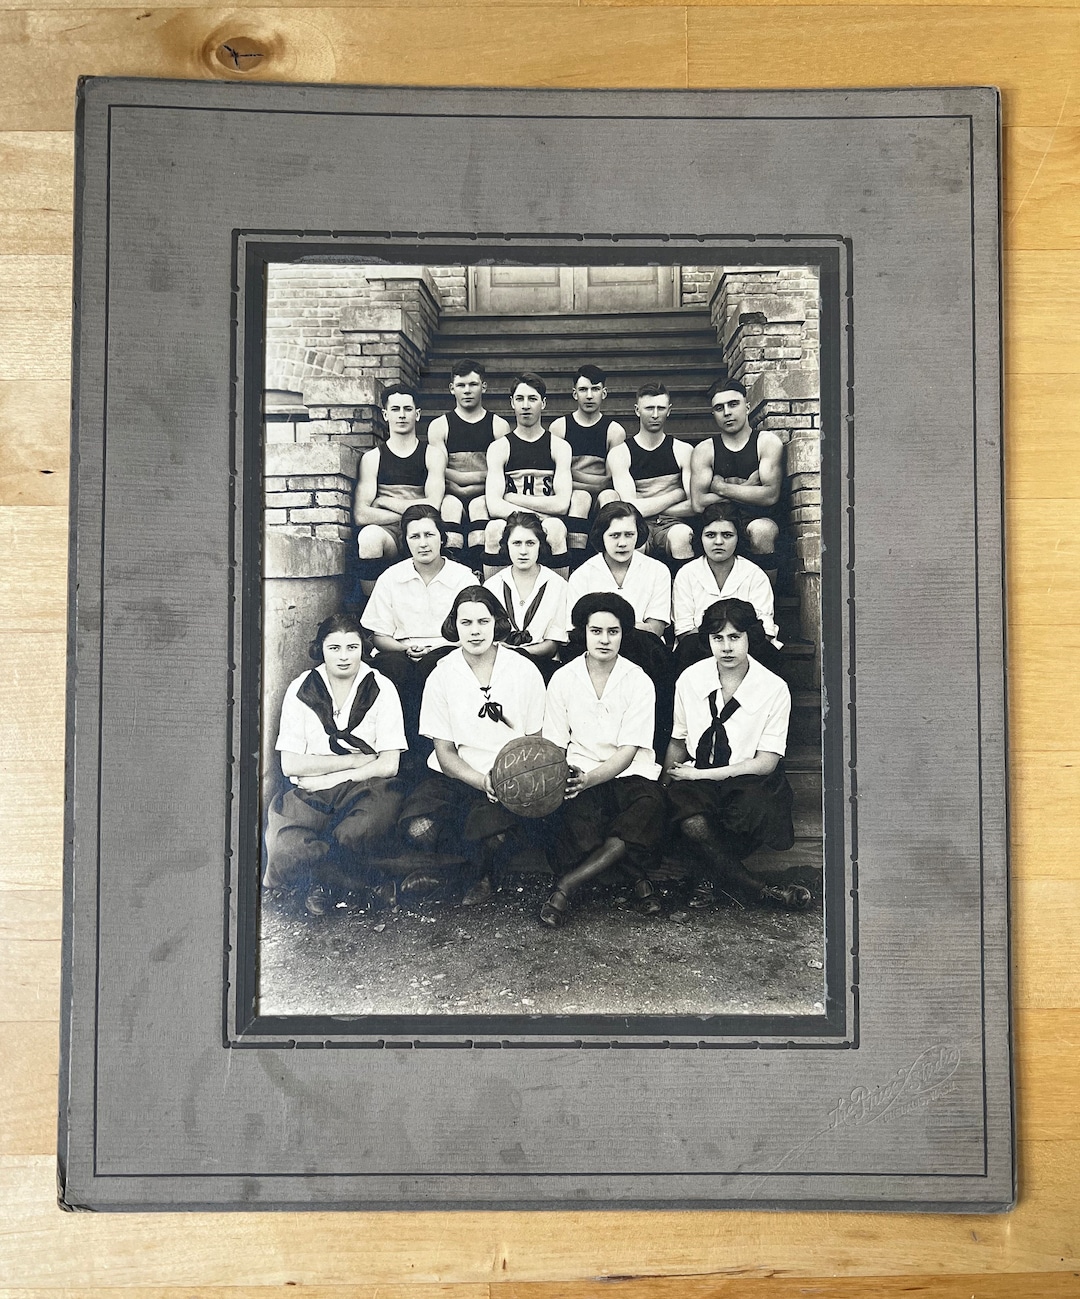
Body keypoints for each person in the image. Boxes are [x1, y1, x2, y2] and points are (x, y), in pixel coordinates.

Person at [398, 586, 548, 905]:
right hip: (459, 776)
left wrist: (507, 781)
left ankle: (473, 876)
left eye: (483, 621)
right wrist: (480, 780)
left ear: (497, 623)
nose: (475, 631)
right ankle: (466, 870)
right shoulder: (443, 674)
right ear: (455, 626)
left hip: (512, 779)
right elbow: (445, 752)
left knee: (493, 831)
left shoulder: (523, 670)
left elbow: (536, 742)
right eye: (466, 623)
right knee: (417, 827)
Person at [663, 598, 810, 910]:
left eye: (734, 637)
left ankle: (708, 875)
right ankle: (760, 890)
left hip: (748, 778)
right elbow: (679, 739)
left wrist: (699, 775)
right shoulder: (691, 678)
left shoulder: (773, 688)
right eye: (717, 638)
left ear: (749, 638)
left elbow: (766, 762)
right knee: (689, 820)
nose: (726, 647)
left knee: (753, 810)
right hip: (698, 775)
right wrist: (666, 781)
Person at [263, 614, 406, 916]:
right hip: (311, 792)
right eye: (334, 648)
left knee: (359, 832)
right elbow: (290, 763)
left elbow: (389, 764)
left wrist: (329, 776)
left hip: (366, 786)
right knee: (284, 849)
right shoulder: (301, 688)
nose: (344, 657)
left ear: (363, 649)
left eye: (352, 647)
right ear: (320, 649)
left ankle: (322, 884)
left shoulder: (381, 687)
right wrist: (354, 759)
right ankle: (365, 883)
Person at [539, 593, 664, 927]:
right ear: (584, 632)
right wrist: (572, 776)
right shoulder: (564, 678)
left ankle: (567, 886)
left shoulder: (638, 679)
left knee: (647, 808)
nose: (605, 639)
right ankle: (636, 877)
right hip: (579, 771)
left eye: (614, 631)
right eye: (596, 631)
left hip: (629, 774)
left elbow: (628, 752)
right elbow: (554, 741)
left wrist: (590, 779)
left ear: (624, 634)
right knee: (574, 827)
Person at [359, 503, 476, 753]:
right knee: (391, 667)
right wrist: (404, 648)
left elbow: (472, 631)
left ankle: (432, 750)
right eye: (415, 536)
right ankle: (399, 750)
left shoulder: (463, 577)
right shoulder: (391, 577)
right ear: (406, 541)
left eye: (429, 535)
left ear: (442, 539)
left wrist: (440, 648)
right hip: (400, 650)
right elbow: (379, 635)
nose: (423, 543)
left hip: (449, 650)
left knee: (432, 666)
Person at [565, 500, 674, 752]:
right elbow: (578, 629)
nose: (622, 543)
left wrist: (605, 626)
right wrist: (623, 627)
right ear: (601, 536)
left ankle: (649, 750)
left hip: (644, 652)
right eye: (614, 535)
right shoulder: (583, 574)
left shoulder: (657, 571)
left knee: (650, 649)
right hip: (595, 651)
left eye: (629, 534)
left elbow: (656, 627)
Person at [352, 382, 447, 595]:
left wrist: (384, 502)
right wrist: (406, 514)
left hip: (422, 529)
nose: (401, 415)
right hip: (391, 535)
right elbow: (361, 514)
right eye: (395, 409)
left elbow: (432, 505)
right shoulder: (372, 458)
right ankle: (371, 611)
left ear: (418, 414)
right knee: (369, 537)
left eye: (407, 409)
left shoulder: (432, 455)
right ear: (385, 415)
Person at [689, 378, 785, 581]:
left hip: (757, 519)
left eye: (733, 404)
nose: (727, 412)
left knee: (762, 530)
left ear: (747, 406)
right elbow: (698, 504)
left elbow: (770, 495)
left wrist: (721, 488)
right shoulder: (705, 450)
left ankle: (767, 602)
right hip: (718, 522)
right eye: (719, 408)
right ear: (713, 413)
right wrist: (749, 488)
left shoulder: (766, 442)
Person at [671, 504, 781, 674]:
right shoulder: (687, 574)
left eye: (727, 535)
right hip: (700, 650)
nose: (718, 542)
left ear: (738, 538)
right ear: (700, 537)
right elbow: (684, 631)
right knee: (688, 648)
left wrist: (732, 646)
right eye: (710, 535)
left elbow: (764, 629)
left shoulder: (754, 575)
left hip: (746, 650)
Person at [484, 372, 573, 578]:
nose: (526, 405)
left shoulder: (559, 446)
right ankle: (491, 598)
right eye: (520, 399)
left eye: (532, 399)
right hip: (513, 521)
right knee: (492, 529)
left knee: (557, 528)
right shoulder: (499, 447)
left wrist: (515, 499)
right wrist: (532, 514)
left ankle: (559, 595)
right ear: (511, 403)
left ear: (543, 403)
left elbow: (561, 504)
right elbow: (494, 505)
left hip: (545, 520)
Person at [427, 359, 511, 567]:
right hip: (451, 493)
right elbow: (438, 471)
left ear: (483, 386)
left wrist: (468, 481)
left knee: (479, 506)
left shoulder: (499, 426)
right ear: (451, 388)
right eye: (461, 385)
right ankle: (451, 569)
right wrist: (479, 477)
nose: (467, 390)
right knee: (450, 506)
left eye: (473, 384)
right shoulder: (439, 426)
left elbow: (500, 474)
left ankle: (478, 571)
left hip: (485, 495)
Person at [603, 382, 695, 565]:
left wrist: (653, 508)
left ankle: (681, 591)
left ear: (669, 411)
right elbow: (631, 507)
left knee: (682, 536)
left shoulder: (683, 450)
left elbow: (694, 505)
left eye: (660, 408)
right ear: (637, 410)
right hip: (636, 523)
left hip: (673, 523)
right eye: (649, 408)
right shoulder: (621, 453)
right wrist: (677, 493)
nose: (655, 415)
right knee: (632, 544)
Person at [549, 363, 627, 566]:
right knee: (580, 497)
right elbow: (556, 476)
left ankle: (610, 561)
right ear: (575, 394)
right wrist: (577, 480)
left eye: (595, 389)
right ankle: (576, 564)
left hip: (599, 497)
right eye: (583, 389)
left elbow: (610, 480)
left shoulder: (614, 431)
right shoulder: (559, 428)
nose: (590, 395)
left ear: (604, 392)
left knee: (611, 496)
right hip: (572, 498)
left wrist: (573, 474)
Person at [482, 510, 568, 681]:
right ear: (507, 546)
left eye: (530, 543)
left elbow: (552, 645)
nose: (523, 551)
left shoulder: (558, 585)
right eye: (516, 543)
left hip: (543, 665)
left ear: (540, 545)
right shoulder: (492, 586)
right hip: (499, 666)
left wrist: (519, 653)